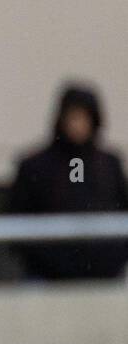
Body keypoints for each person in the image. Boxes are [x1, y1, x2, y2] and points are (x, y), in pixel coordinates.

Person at [8, 83, 128, 280]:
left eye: (84, 117)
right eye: (73, 117)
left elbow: (121, 212)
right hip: (47, 276)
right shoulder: (36, 166)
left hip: (103, 276)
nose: (78, 124)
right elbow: (18, 222)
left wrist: (112, 258)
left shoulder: (108, 165)